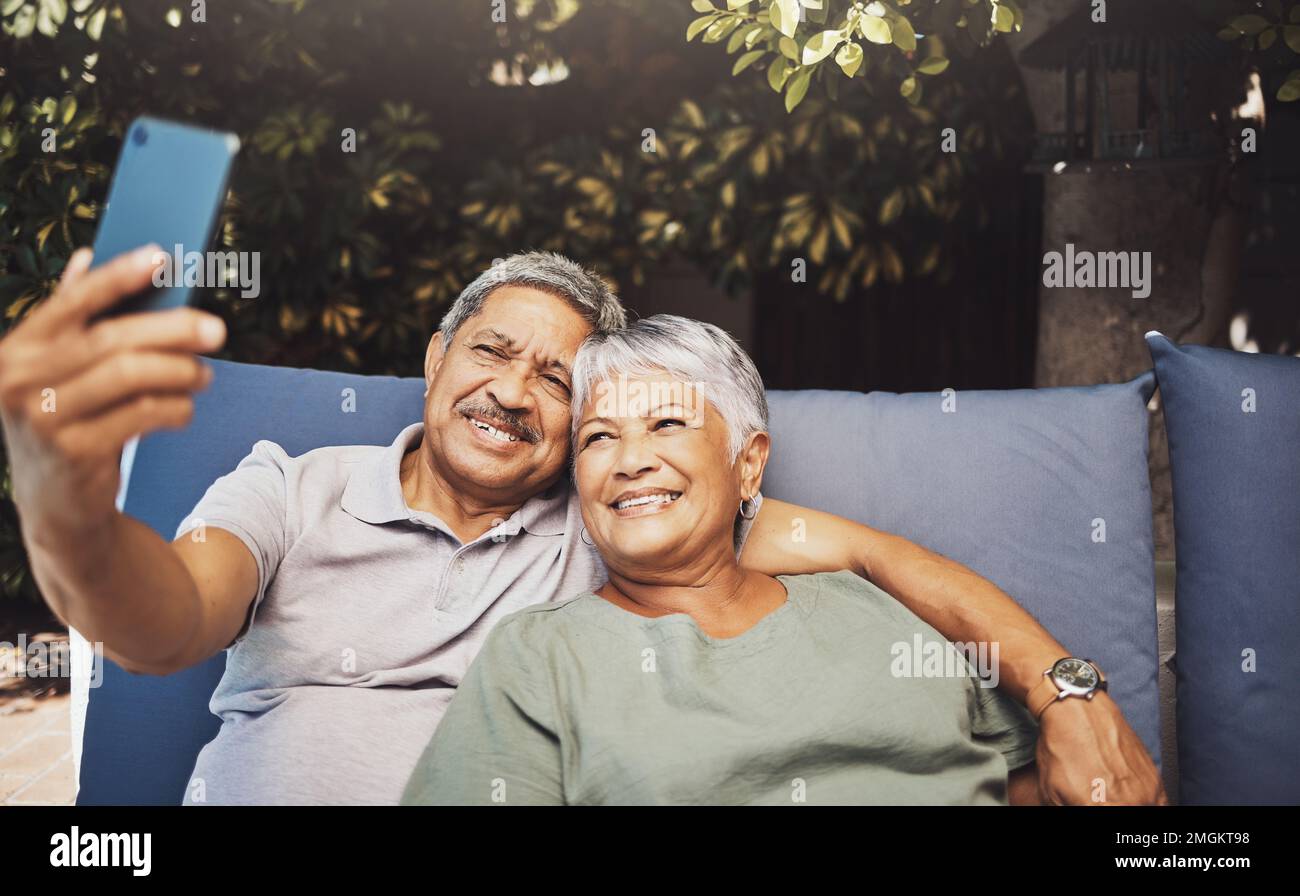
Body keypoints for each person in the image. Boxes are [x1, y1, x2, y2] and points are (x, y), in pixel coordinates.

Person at [0, 247, 1165, 804]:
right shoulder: (294, 486)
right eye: (492, 351)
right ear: (433, 360)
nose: (514, 389)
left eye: (562, 383)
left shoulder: (608, 520)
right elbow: (159, 622)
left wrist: (1071, 693)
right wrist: (64, 503)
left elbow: (870, 554)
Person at [402, 316, 1050, 804]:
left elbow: (1029, 784)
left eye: (667, 425)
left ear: (748, 464)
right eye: (600, 437)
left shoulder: (876, 604)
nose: (630, 461)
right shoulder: (539, 655)